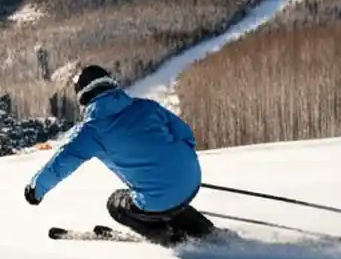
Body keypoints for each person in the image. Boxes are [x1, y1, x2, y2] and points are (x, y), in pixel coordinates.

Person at [23, 64, 216, 246]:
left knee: (117, 203)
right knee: (163, 193)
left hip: (161, 196)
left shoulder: (92, 130)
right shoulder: (146, 106)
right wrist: (181, 161)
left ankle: (168, 237)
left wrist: (36, 190)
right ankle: (201, 229)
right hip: (192, 177)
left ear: (83, 96)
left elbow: (63, 162)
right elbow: (185, 135)